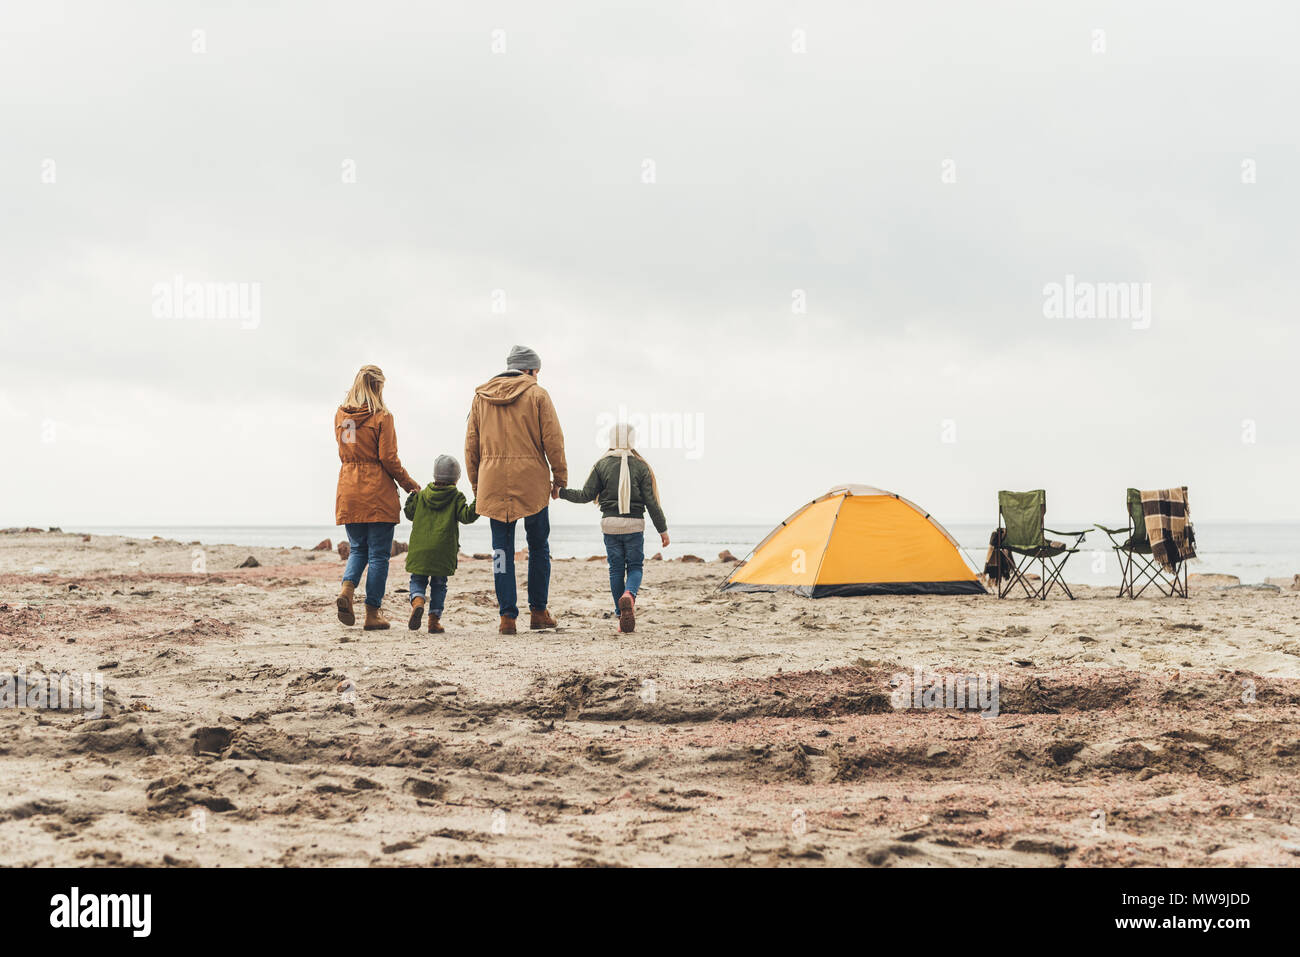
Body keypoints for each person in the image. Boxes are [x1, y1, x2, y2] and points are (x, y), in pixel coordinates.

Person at [464, 345, 567, 635]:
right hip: (532, 481)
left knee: (501, 551)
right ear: (530, 370)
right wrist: (559, 478)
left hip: (492, 481)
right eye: (537, 372)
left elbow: (471, 444)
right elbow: (553, 440)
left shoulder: (480, 398)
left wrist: (476, 484)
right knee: (538, 547)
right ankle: (538, 612)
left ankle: (507, 618)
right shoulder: (537, 394)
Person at [334, 364, 421, 630]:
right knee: (379, 555)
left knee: (358, 548)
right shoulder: (382, 417)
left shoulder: (342, 416)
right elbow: (388, 458)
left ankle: (346, 592)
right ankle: (372, 613)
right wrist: (410, 485)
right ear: (378, 387)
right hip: (377, 492)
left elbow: (347, 450)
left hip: (349, 489)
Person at [560, 423, 669, 634]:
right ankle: (629, 595)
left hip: (610, 526)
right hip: (634, 526)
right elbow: (652, 503)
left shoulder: (601, 464)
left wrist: (561, 493)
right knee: (635, 567)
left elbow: (585, 495)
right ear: (632, 440)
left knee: (616, 570)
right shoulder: (641, 466)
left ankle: (621, 618)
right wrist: (662, 530)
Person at [404, 454, 478, 633]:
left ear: (435, 476)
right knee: (439, 585)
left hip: (420, 551)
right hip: (443, 552)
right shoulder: (456, 497)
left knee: (417, 580)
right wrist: (479, 500)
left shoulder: (422, 496)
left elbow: (409, 513)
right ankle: (433, 621)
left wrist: (411, 497)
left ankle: (418, 601)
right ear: (456, 479)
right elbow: (467, 517)